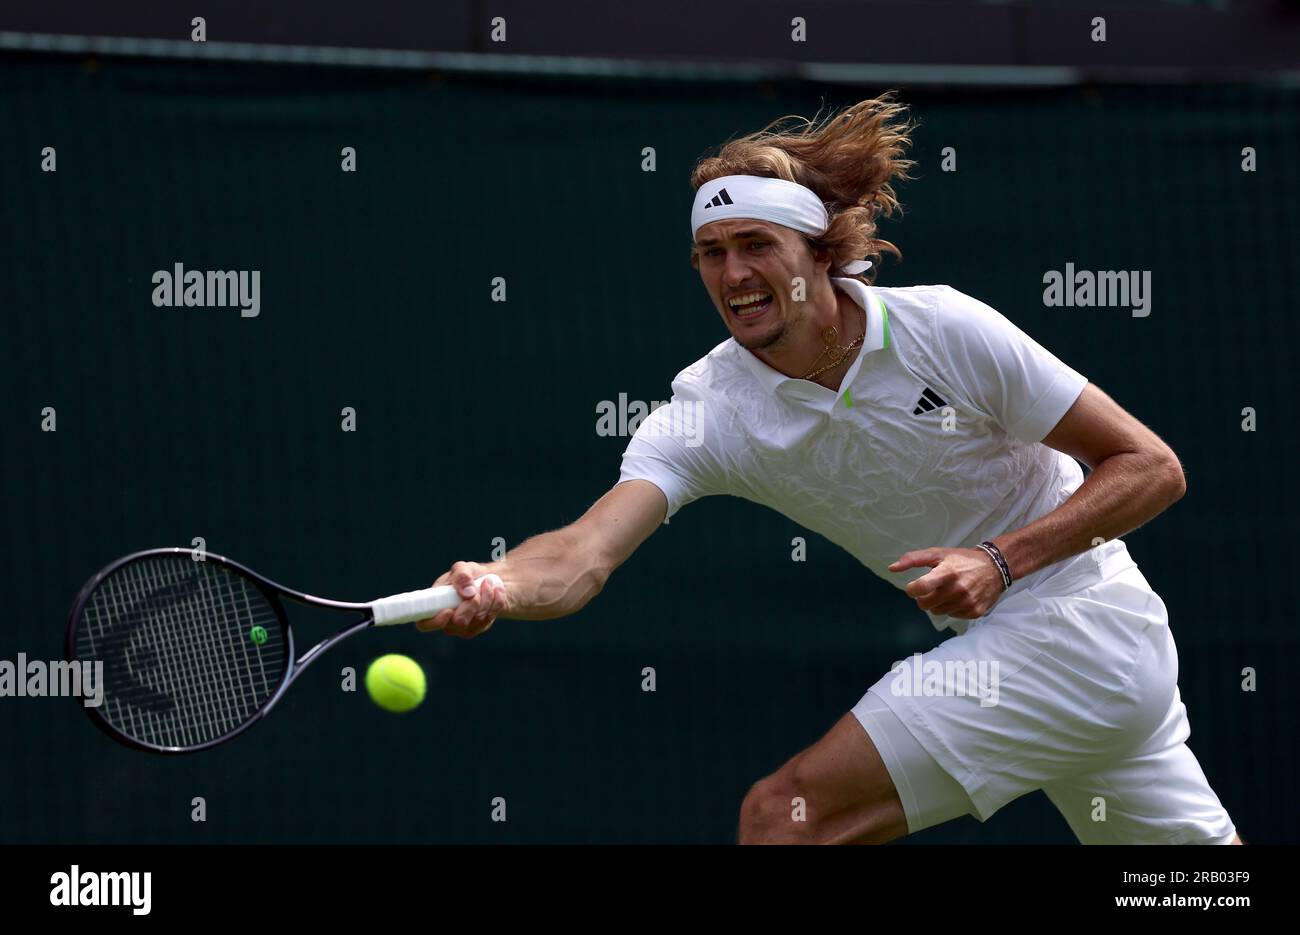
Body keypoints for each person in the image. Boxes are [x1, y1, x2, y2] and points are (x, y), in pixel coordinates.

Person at [416, 94, 1239, 845]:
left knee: (785, 818)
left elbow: (1151, 465)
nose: (733, 275)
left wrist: (999, 560)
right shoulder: (710, 407)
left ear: (817, 252)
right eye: (711, 252)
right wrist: (501, 582)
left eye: (754, 245)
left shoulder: (945, 330)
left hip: (1080, 624)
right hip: (1088, 662)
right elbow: (583, 553)